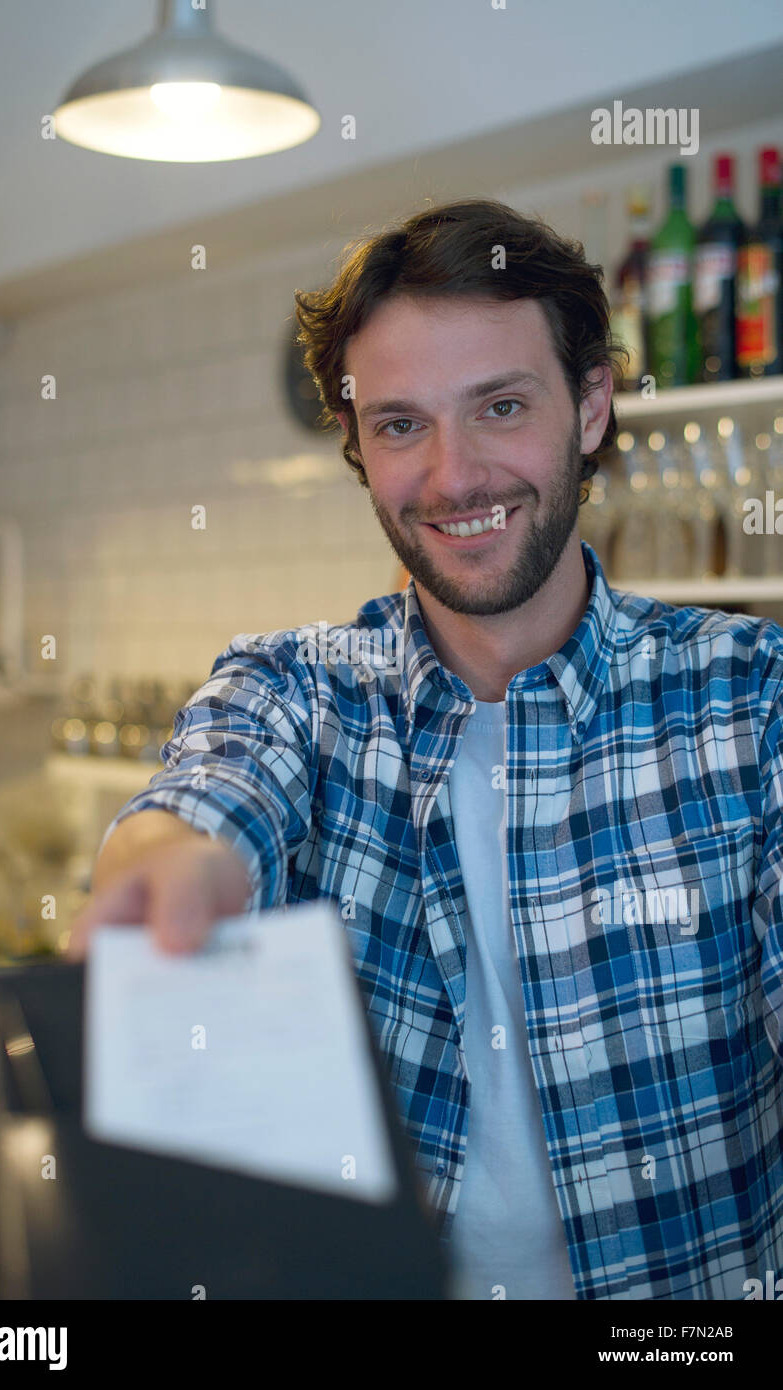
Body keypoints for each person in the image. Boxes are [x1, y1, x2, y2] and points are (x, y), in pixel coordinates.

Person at [68, 198, 783, 1301]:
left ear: (591, 405)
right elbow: (211, 788)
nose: (454, 477)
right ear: (357, 444)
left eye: (499, 406)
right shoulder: (297, 690)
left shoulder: (751, 700)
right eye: (401, 424)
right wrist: (169, 862)